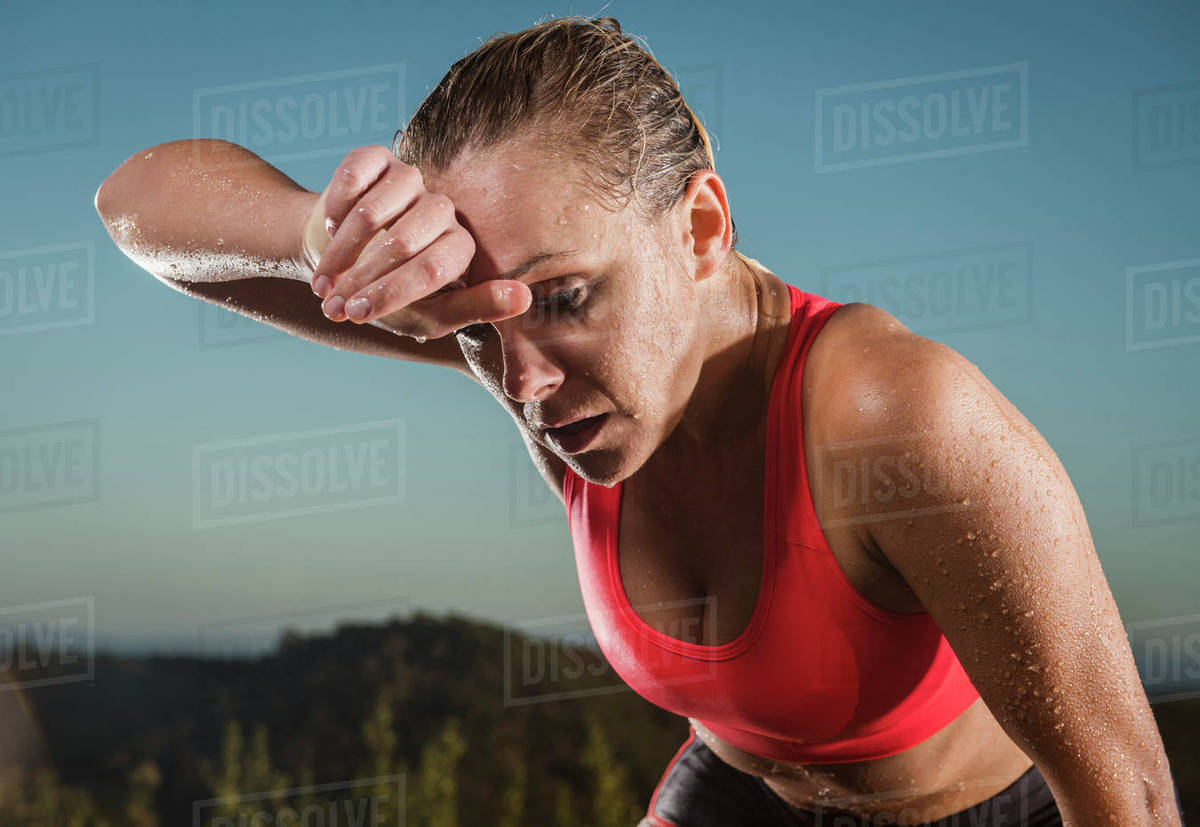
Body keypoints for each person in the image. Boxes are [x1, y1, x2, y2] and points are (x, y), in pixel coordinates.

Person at [94, 15, 1184, 827]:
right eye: (472, 327)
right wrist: (318, 232)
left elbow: (1128, 790)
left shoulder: (896, 415)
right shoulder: (519, 346)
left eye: (568, 297)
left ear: (701, 228)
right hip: (740, 792)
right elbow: (133, 203)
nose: (521, 382)